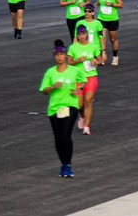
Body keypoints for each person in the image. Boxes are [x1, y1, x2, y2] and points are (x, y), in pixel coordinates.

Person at [40, 40, 85, 177]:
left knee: (65, 134)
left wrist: (78, 89)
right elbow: (44, 90)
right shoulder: (50, 73)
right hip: (54, 108)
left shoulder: (74, 70)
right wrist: (53, 87)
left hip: (70, 105)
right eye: (57, 55)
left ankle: (68, 165)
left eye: (61, 54)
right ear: (54, 57)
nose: (59, 57)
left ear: (65, 55)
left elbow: (83, 81)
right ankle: (63, 164)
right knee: (59, 137)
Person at [67, 24, 105, 135]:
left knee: (88, 101)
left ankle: (87, 127)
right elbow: (69, 63)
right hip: (78, 79)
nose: (82, 36)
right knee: (79, 104)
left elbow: (100, 59)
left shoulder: (93, 47)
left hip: (91, 77)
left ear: (87, 34)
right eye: (80, 34)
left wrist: (96, 62)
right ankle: (83, 116)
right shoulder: (73, 47)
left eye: (83, 34)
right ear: (77, 36)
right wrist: (78, 60)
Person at [95, 0, 123, 66]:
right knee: (102, 38)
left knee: (113, 39)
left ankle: (115, 56)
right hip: (102, 19)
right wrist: (97, 3)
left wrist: (112, 4)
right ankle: (101, 58)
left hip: (112, 19)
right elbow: (100, 1)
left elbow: (121, 5)